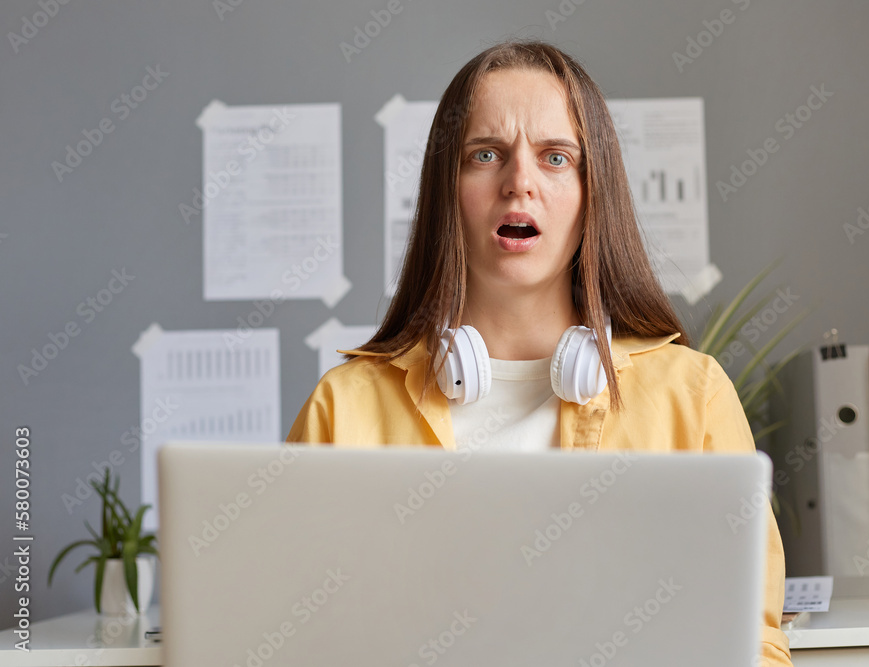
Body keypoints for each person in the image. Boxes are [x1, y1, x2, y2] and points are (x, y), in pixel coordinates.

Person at [286, 40, 792, 665]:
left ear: (591, 193)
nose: (518, 182)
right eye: (485, 154)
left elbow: (754, 644)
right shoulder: (343, 409)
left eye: (555, 157)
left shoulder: (692, 397)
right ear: (448, 192)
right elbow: (291, 636)